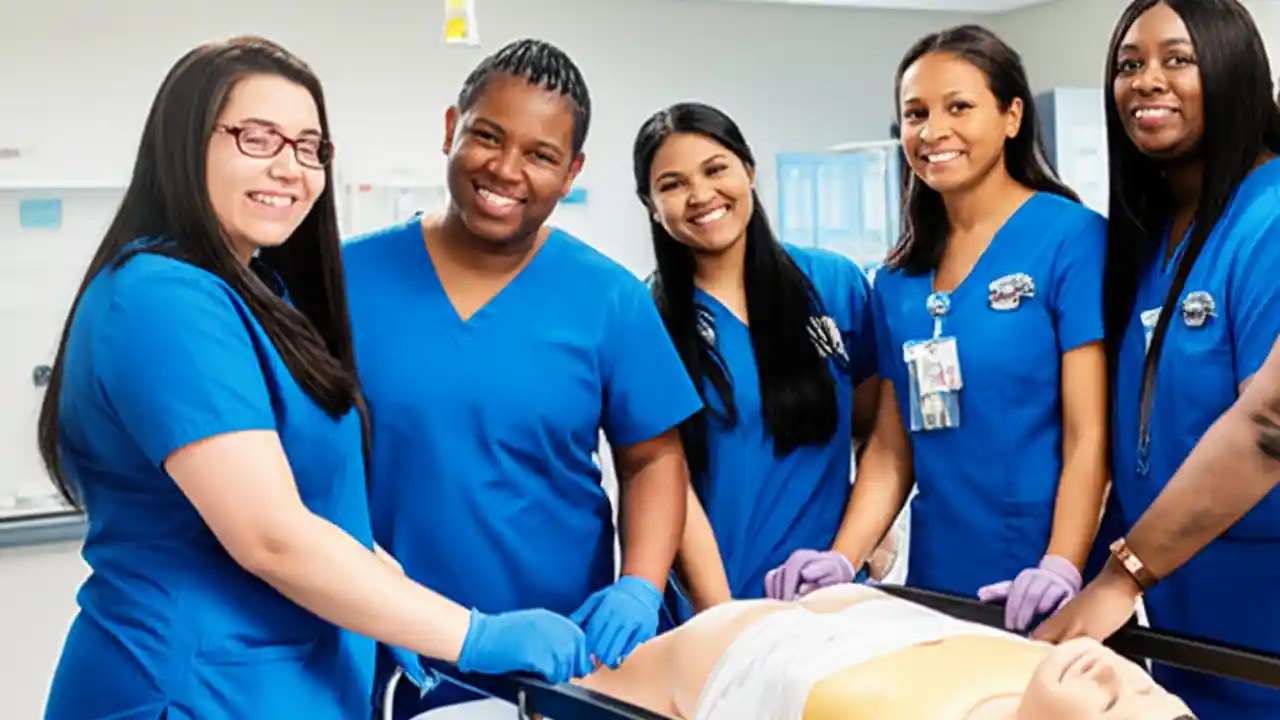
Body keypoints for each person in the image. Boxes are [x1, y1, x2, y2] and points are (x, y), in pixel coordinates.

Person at [37, 36, 594, 720]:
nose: (290, 168)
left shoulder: (259, 296)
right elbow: (271, 534)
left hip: (290, 685)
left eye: (309, 148)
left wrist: (410, 613)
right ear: (185, 143)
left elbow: (328, 516)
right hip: (190, 691)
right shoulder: (162, 297)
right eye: (257, 138)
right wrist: (474, 634)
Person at [342, 38, 703, 714]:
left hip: (561, 658)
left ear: (572, 171)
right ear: (452, 129)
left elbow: (654, 457)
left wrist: (640, 586)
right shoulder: (342, 283)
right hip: (381, 646)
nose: (506, 169)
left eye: (540, 155)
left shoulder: (609, 299)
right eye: (487, 137)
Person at [782, 24, 1111, 633]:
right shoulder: (899, 279)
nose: (932, 132)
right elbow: (890, 444)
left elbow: (1089, 434)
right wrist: (843, 555)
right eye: (915, 113)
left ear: (1012, 116)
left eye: (959, 107)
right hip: (937, 581)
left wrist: (1063, 563)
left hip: (1044, 580)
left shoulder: (1071, 238)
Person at [1032, 1, 1280, 717]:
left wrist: (1124, 574)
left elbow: (1269, 426)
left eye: (1178, 59)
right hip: (1183, 637)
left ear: (1235, 73)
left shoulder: (1267, 217)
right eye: (1129, 64)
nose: (1147, 80)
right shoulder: (1151, 237)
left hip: (1258, 630)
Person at [630, 102, 881, 620]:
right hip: (714, 612)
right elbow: (663, 484)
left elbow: (878, 432)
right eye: (672, 185)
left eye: (715, 169)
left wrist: (863, 543)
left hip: (831, 604)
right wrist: (723, 622)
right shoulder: (645, 321)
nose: (701, 195)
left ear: (749, 170)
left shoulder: (835, 285)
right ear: (651, 205)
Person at [418, 585, 1197, 720]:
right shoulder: (1059, 675)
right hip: (864, 613)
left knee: (568, 693)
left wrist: (465, 638)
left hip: (733, 654)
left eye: (1119, 713)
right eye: (1156, 693)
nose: (1122, 682)